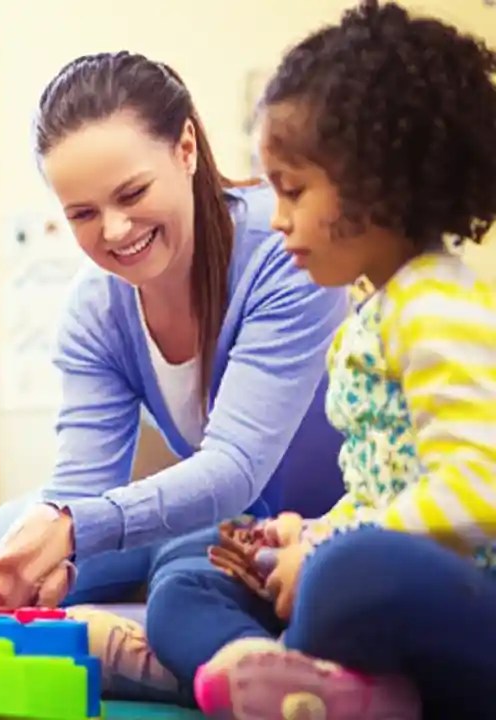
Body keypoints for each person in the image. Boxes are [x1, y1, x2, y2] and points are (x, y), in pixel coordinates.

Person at [0, 51, 349, 699]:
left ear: (186, 147)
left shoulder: (284, 253)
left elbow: (236, 467)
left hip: (313, 516)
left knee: (178, 569)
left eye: (132, 194)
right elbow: (83, 481)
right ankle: (167, 598)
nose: (114, 230)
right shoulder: (95, 306)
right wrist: (59, 551)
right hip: (217, 516)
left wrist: (74, 531)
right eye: (81, 214)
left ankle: (177, 632)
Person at [184, 3, 496, 717]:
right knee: (192, 568)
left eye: (293, 189)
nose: (277, 217)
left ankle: (335, 686)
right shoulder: (372, 309)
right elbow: (391, 485)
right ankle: (269, 672)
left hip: (466, 606)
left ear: (383, 180)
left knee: (351, 577)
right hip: (390, 574)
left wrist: (331, 548)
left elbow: (481, 486)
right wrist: (309, 532)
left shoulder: (438, 303)